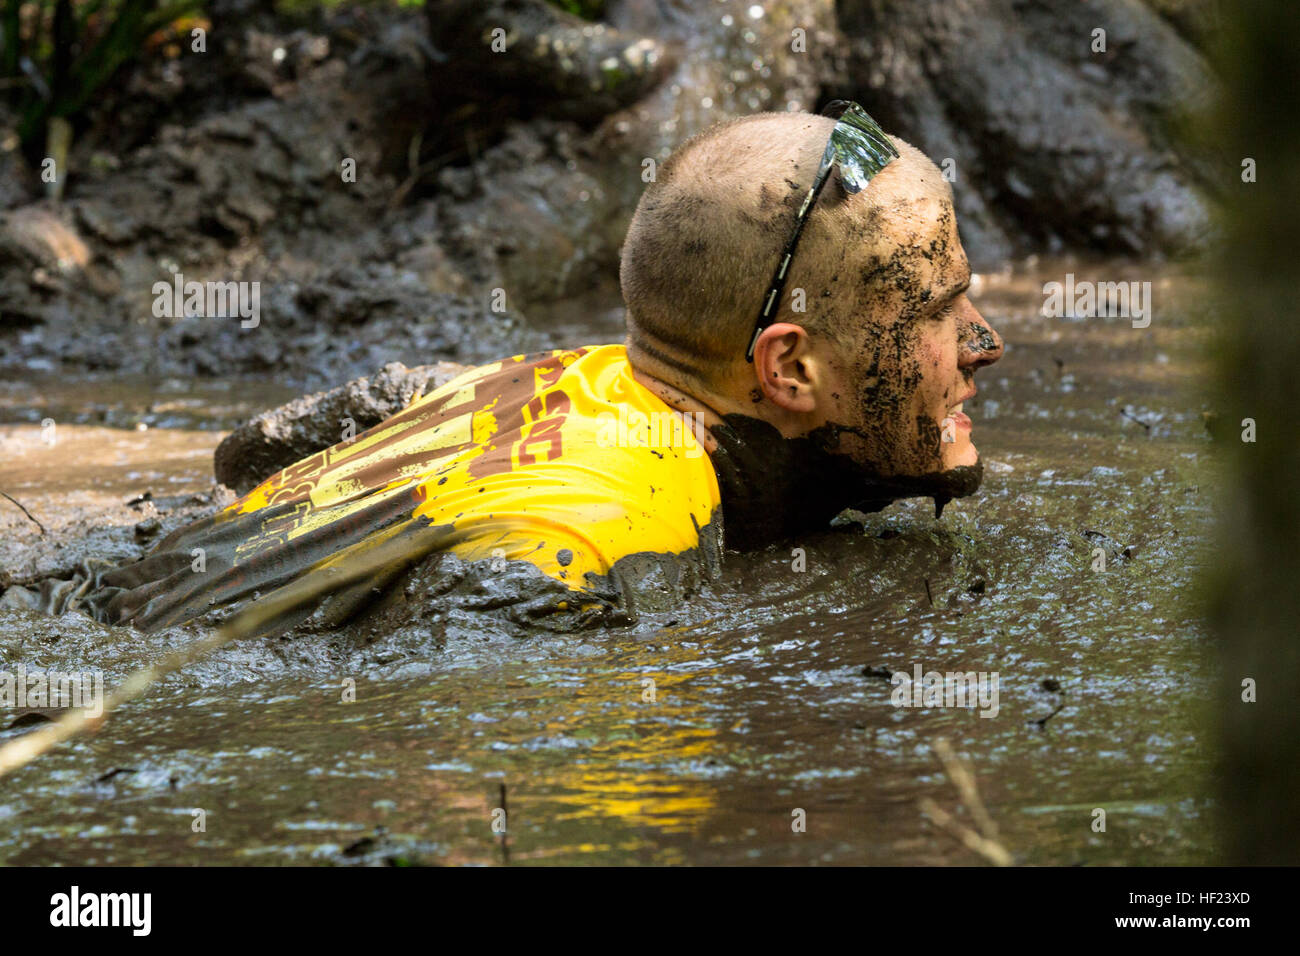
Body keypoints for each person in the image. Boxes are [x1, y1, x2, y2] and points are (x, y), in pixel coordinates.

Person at [14, 102, 1003, 637]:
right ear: (788, 369)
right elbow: (451, 684)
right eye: (939, 310)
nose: (982, 343)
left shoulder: (534, 379)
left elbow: (256, 447)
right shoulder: (613, 543)